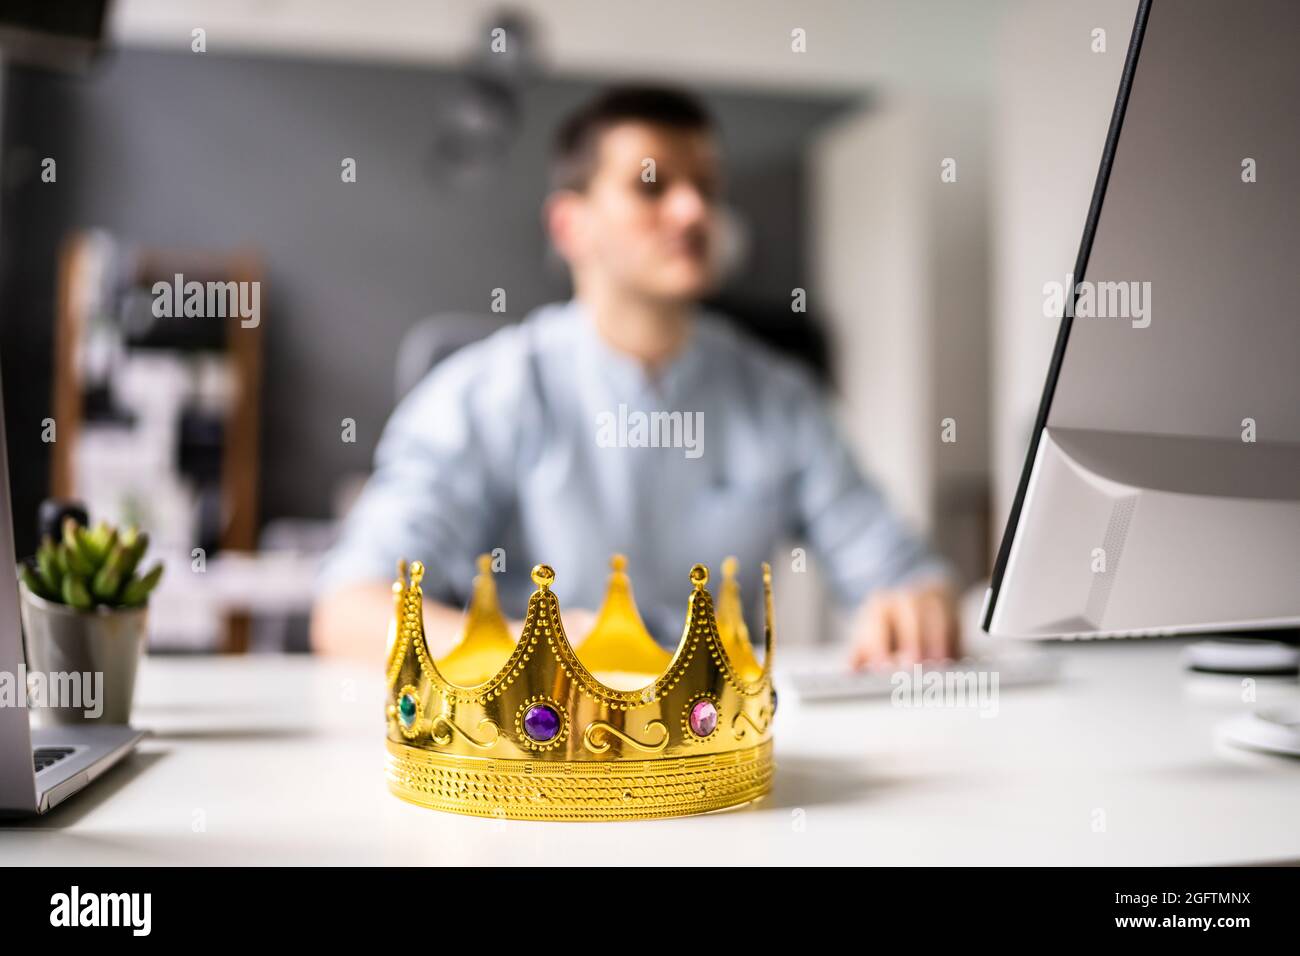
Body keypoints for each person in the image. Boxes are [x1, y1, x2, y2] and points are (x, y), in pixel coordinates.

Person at [312, 85, 960, 668]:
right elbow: (350, 612)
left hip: (725, 764)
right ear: (571, 225)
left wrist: (914, 609)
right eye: (652, 187)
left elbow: (901, 575)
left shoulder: (780, 397)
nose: (691, 211)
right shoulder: (487, 392)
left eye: (706, 187)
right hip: (545, 756)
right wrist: (531, 649)